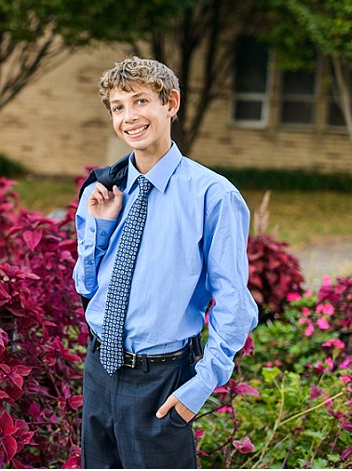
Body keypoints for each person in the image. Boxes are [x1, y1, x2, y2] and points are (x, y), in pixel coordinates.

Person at [73, 56, 259, 468]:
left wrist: (201, 385)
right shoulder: (104, 188)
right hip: (101, 369)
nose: (129, 117)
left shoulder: (213, 196)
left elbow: (234, 303)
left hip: (161, 382)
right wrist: (100, 229)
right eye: (118, 107)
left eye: (141, 101)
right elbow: (86, 285)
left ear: (171, 103)